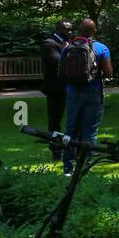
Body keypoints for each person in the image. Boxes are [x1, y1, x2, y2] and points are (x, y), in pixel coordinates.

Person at [60, 18, 113, 177]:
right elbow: (109, 72)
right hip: (93, 92)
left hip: (72, 92)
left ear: (79, 31)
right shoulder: (101, 48)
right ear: (94, 30)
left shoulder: (67, 48)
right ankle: (85, 166)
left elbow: (61, 71)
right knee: (90, 130)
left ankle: (67, 166)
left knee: (70, 128)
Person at [39, 20, 74, 160]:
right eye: (67, 30)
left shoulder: (67, 43)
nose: (70, 32)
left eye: (71, 29)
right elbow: (59, 62)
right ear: (58, 29)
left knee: (73, 118)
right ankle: (56, 150)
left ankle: (73, 148)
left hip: (69, 87)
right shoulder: (49, 44)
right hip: (56, 88)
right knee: (55, 120)